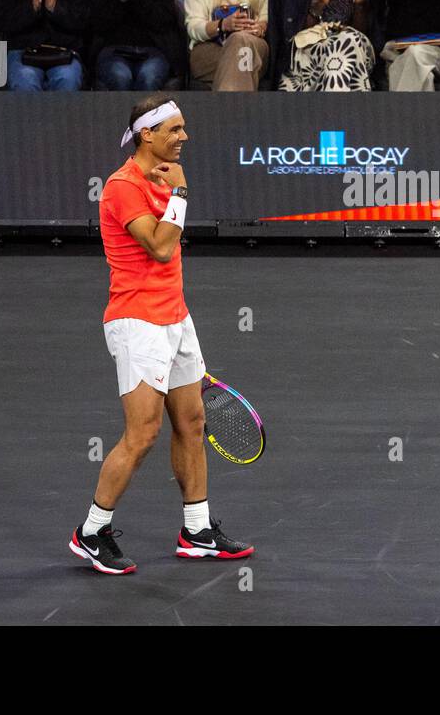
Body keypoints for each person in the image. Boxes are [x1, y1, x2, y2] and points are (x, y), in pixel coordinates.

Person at [71, 93, 254, 574]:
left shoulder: (164, 177)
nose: (184, 137)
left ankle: (196, 529)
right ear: (146, 135)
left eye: (184, 128)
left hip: (176, 317)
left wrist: (176, 192)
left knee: (192, 423)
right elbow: (157, 246)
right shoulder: (121, 186)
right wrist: (181, 194)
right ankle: (91, 531)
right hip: (137, 322)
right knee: (143, 433)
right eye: (175, 129)